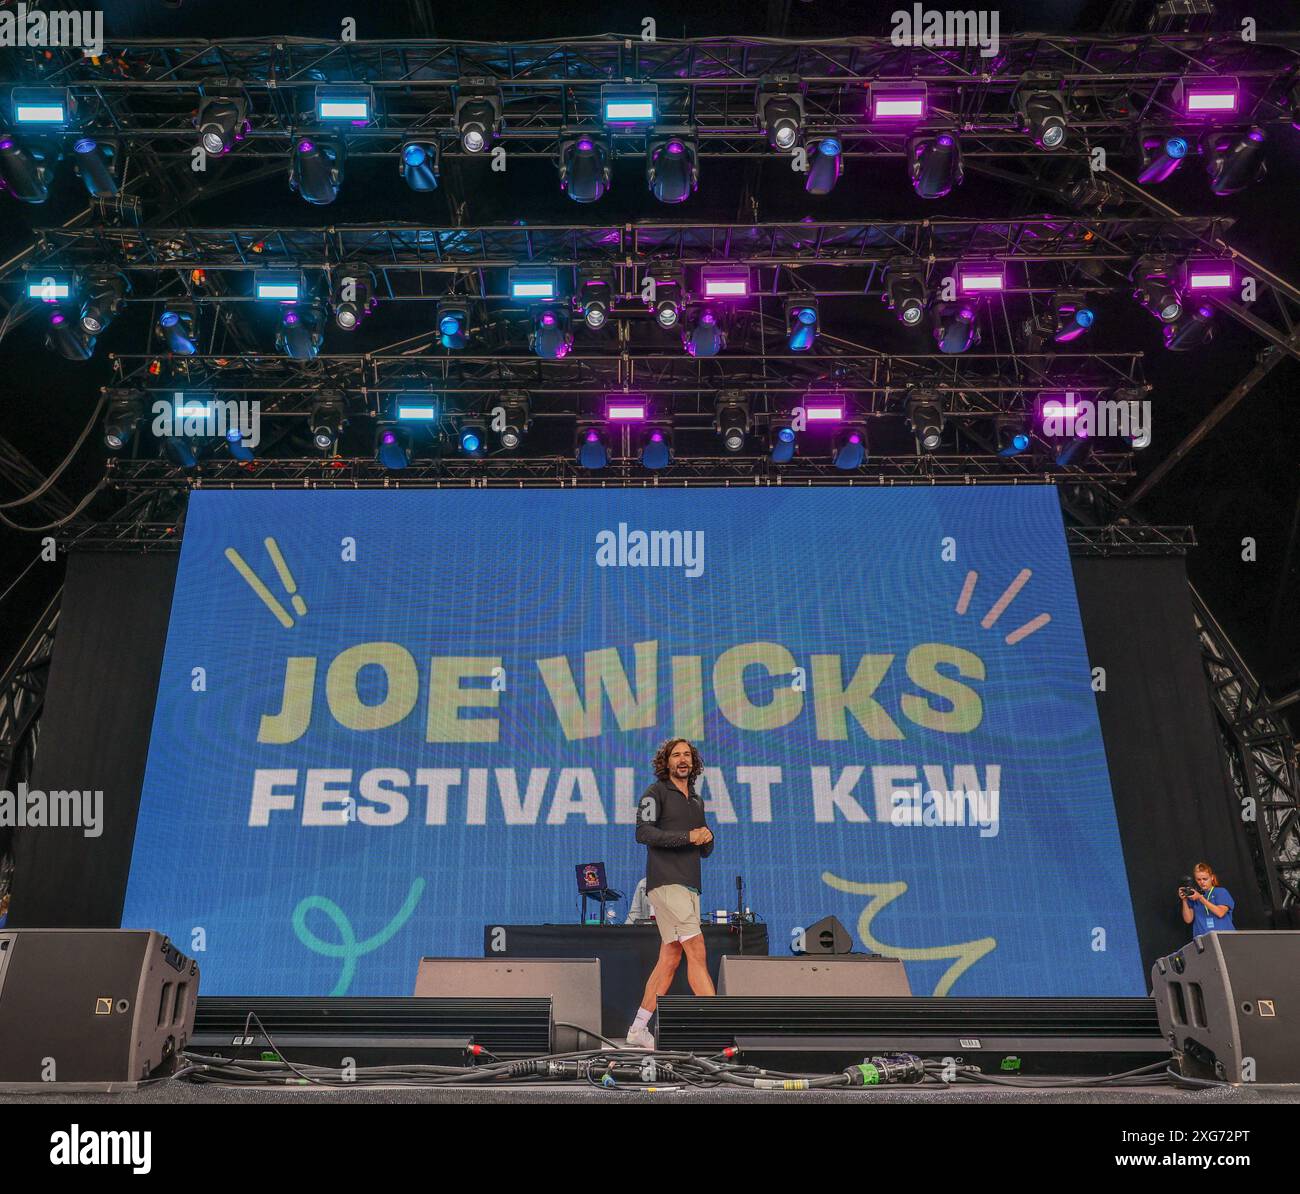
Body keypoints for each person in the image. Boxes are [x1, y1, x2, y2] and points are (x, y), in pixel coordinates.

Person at [624, 738, 715, 1049]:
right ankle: (720, 1028)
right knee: (697, 949)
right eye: (676, 755)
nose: (682, 759)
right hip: (666, 882)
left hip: (689, 883)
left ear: (694, 762)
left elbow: (703, 850)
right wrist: (688, 836)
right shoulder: (656, 792)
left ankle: (637, 1029)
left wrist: (706, 837)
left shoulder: (697, 801)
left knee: (670, 958)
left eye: (687, 755)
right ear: (666, 761)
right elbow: (643, 832)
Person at [1181, 861, 1236, 937]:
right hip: (1203, 939)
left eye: (1205, 879)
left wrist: (1200, 898)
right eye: (1199, 879)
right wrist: (1184, 900)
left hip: (1225, 937)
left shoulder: (1221, 892)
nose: (1202, 882)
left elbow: (1220, 913)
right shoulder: (1194, 895)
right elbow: (1188, 919)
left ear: (1212, 877)